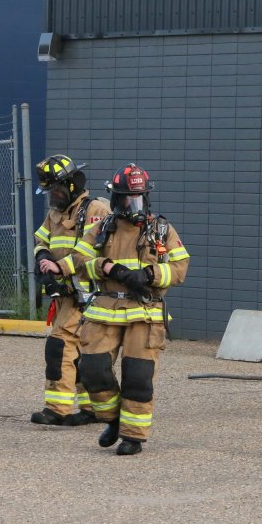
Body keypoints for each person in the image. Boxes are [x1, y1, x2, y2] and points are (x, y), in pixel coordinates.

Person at [53, 163, 189, 455]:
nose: (132, 205)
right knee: (92, 370)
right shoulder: (101, 228)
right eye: (127, 198)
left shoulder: (161, 229)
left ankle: (133, 437)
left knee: (138, 376)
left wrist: (149, 276)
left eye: (137, 198)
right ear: (115, 198)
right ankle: (112, 418)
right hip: (105, 308)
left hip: (145, 311)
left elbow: (179, 268)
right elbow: (79, 261)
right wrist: (105, 266)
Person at [30, 155, 110, 426]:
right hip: (67, 294)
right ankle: (93, 408)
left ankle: (57, 409)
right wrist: (44, 260)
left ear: (72, 184)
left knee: (60, 346)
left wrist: (59, 268)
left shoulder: (96, 210)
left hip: (88, 295)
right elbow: (40, 239)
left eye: (56, 189)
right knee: (82, 353)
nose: (53, 195)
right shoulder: (56, 212)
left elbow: (90, 251)